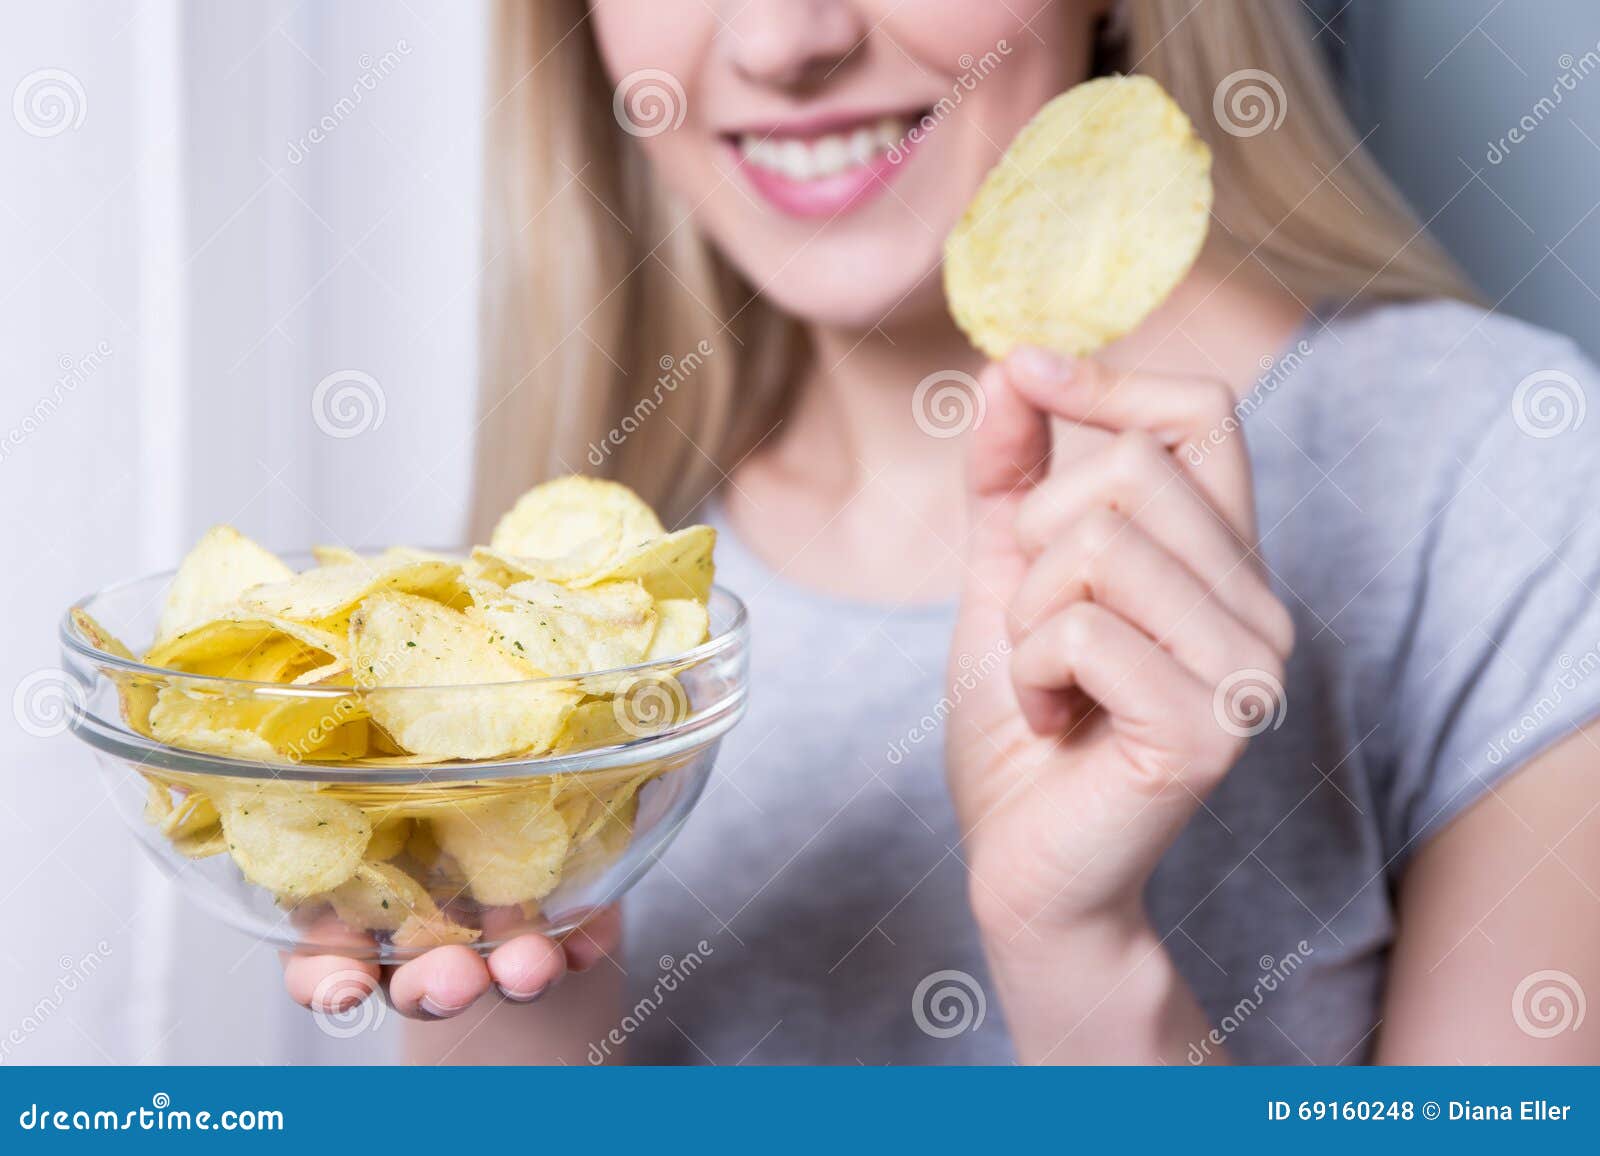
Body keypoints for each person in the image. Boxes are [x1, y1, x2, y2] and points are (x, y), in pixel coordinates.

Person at [283, 0, 1600, 1064]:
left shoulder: (1494, 469)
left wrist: (1075, 958)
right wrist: (527, 1008)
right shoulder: (563, 608)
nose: (779, 40)